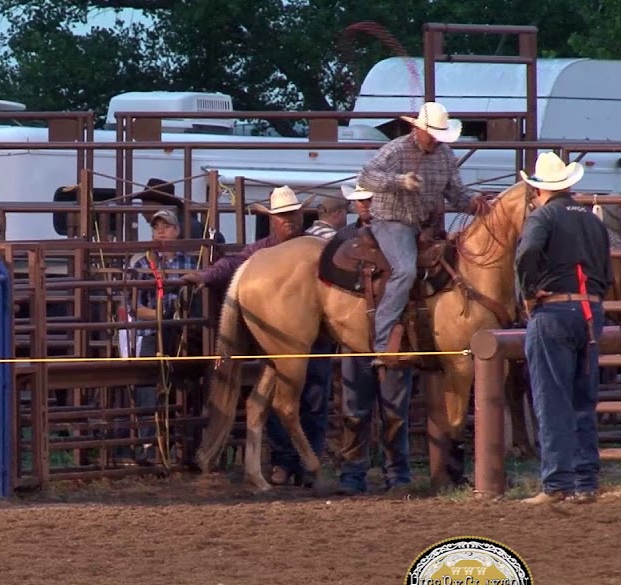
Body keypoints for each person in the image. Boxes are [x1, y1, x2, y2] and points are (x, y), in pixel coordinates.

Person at [183, 186, 329, 485]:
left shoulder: (316, 249)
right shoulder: (264, 252)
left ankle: (305, 462)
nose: (288, 220)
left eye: (292, 214)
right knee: (290, 396)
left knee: (314, 397)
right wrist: (206, 275)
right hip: (286, 337)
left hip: (318, 335)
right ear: (272, 220)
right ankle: (287, 462)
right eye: (282, 216)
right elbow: (233, 264)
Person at [356, 101, 491, 366]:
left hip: (423, 225)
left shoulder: (445, 156)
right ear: (418, 129)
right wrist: (399, 181)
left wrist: (477, 203)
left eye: (440, 135)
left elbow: (457, 194)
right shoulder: (395, 150)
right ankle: (383, 343)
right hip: (391, 221)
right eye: (432, 134)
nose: (436, 140)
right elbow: (367, 176)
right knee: (405, 270)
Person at [515, 152, 611, 505]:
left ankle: (557, 483)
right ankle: (586, 481)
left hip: (554, 311)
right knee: (583, 397)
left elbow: (527, 254)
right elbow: (606, 268)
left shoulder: (542, 217)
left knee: (552, 396)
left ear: (539, 189)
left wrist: (527, 291)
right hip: (590, 311)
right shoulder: (592, 220)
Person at [331, 183, 414, 495]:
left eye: (368, 199)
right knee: (355, 409)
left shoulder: (401, 238)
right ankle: (355, 474)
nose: (363, 205)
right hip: (354, 336)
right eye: (359, 201)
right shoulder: (344, 241)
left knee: (394, 410)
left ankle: (396, 475)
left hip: (393, 335)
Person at [127, 209, 199, 463]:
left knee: (189, 383)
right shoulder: (142, 263)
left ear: (177, 231)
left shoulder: (191, 262)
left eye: (166, 226)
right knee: (148, 383)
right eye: (156, 226)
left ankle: (186, 445)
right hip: (153, 330)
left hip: (183, 332)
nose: (160, 231)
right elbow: (133, 307)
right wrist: (160, 315)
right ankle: (149, 445)